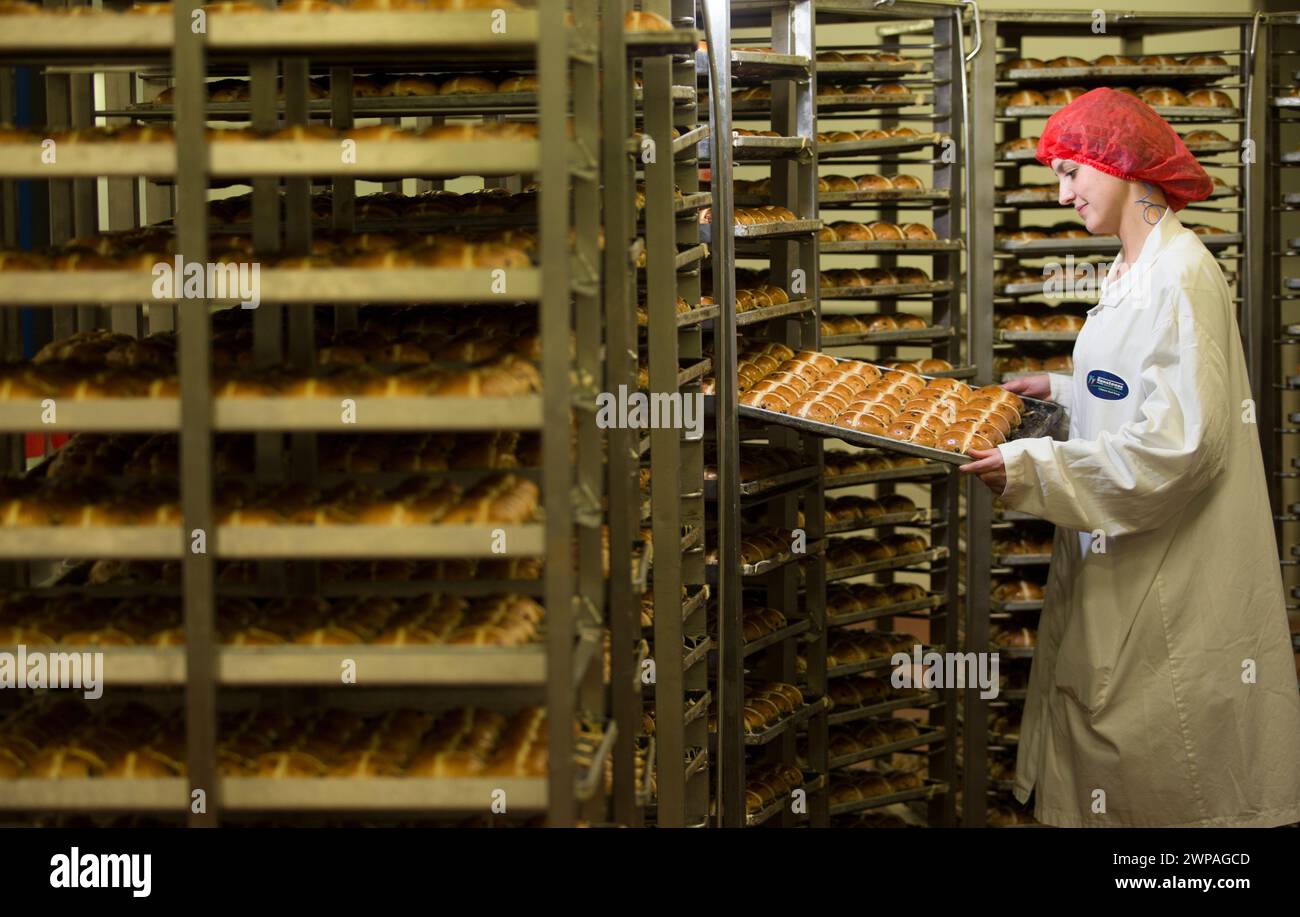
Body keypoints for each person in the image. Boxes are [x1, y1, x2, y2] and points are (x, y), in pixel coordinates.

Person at [960, 87, 1300, 827]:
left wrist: (1032, 469)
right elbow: (1138, 390)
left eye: (1073, 172)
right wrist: (1059, 391)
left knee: (1162, 789)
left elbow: (1179, 447)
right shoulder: (1132, 269)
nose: (1063, 192)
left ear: (1122, 167)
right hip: (1119, 568)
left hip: (1171, 590)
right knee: (1108, 756)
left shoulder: (1181, 277)